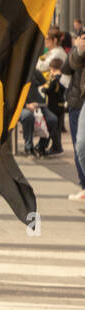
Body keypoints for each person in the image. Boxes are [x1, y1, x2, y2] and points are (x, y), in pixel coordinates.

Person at [66, 30, 85, 201]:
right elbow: (70, 65)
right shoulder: (79, 47)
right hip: (79, 100)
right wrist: (79, 49)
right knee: (80, 145)